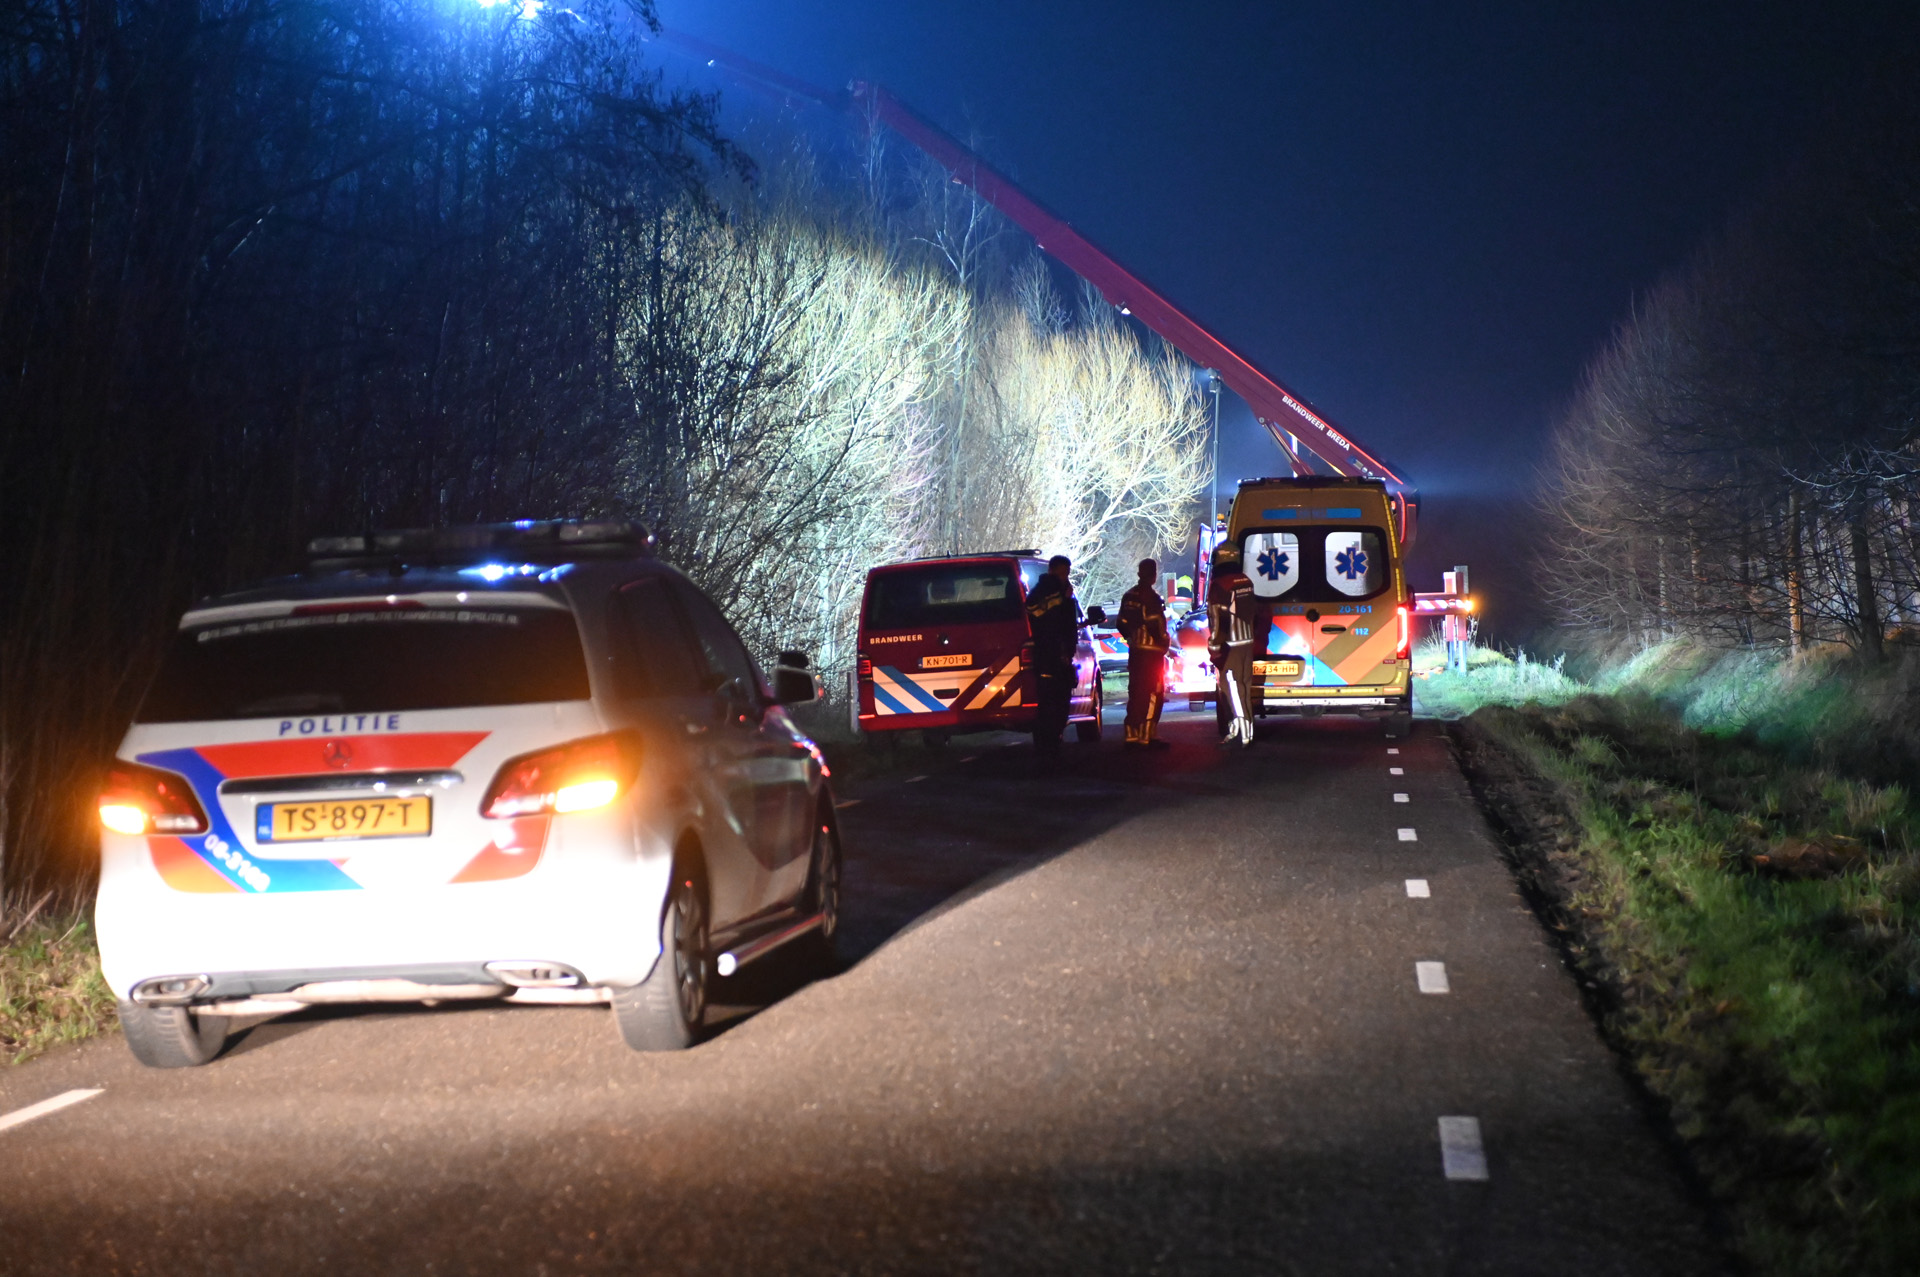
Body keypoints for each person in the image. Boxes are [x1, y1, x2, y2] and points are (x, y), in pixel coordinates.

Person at [1024, 554, 1080, 757]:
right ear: (1053, 570)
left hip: (1059, 654)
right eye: (1063, 571)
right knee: (1051, 702)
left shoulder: (1061, 592)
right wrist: (1062, 599)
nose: (1066, 575)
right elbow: (1036, 612)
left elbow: (1067, 624)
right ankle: (1047, 744)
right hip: (1048, 655)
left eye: (1067, 572)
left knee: (1059, 701)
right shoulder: (1046, 591)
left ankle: (1052, 741)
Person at [1207, 543, 1259, 746]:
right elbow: (1254, 611)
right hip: (1247, 643)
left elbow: (1217, 619)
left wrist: (1214, 648)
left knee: (1232, 687)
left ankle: (1244, 735)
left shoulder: (1220, 584)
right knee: (1244, 687)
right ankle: (1243, 729)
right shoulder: (1246, 581)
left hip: (1230, 645)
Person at [1117, 557, 1171, 748]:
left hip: (1136, 653)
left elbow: (1121, 623)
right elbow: (1155, 622)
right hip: (1152, 654)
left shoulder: (1128, 596)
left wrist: (1131, 638)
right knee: (1153, 693)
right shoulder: (1152, 598)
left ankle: (1131, 733)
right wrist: (1163, 642)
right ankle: (1146, 735)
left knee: (1136, 691)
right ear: (1154, 575)